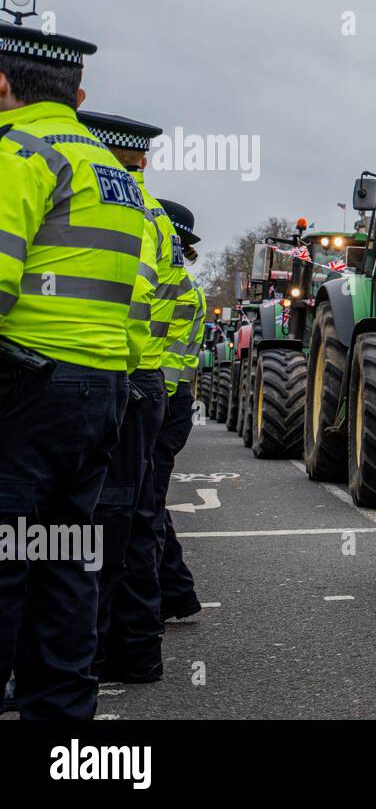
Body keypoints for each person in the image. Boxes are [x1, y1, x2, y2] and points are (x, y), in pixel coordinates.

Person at [0, 22, 147, 719]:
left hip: (25, 386)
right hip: (99, 388)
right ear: (74, 91)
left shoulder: (19, 151)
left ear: (2, 86)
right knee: (65, 563)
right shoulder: (112, 170)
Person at [77, 111, 172, 681]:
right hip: (142, 376)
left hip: (120, 373)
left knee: (105, 523)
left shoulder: (110, 205)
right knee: (134, 519)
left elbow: (128, 299)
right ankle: (133, 650)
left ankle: (94, 652)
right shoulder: (150, 211)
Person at [154, 199, 203, 626]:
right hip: (171, 400)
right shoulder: (184, 284)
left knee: (144, 504)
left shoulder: (173, 287)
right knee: (147, 503)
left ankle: (169, 592)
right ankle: (175, 592)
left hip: (161, 400)